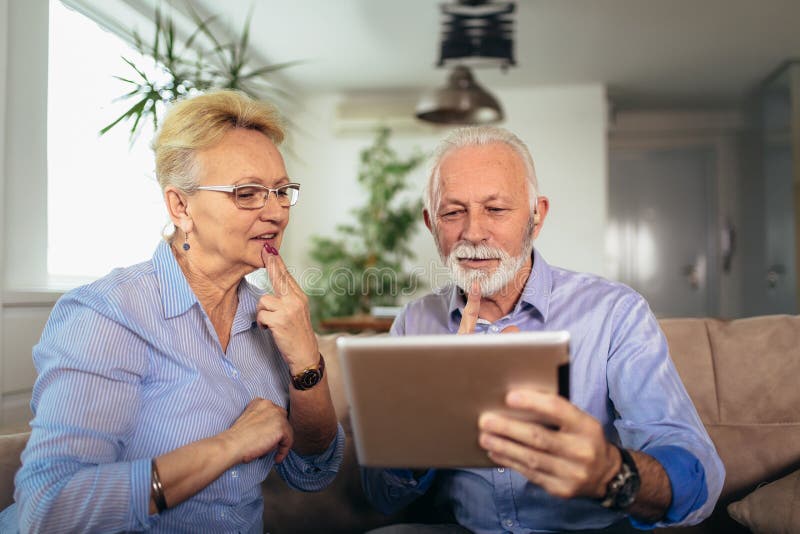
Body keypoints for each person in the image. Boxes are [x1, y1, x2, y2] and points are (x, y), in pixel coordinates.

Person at [0, 90, 344, 533]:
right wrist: (230, 445)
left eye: (281, 191)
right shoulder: (108, 314)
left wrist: (306, 359)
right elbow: (50, 511)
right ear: (180, 206)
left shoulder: (271, 317)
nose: (276, 212)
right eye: (248, 194)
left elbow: (312, 470)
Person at [361, 126, 724, 533]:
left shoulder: (614, 313)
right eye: (452, 212)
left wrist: (611, 472)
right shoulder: (414, 325)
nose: (473, 232)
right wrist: (428, 426)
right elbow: (382, 495)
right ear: (431, 223)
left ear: (537, 216)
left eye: (496, 209)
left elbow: (702, 480)